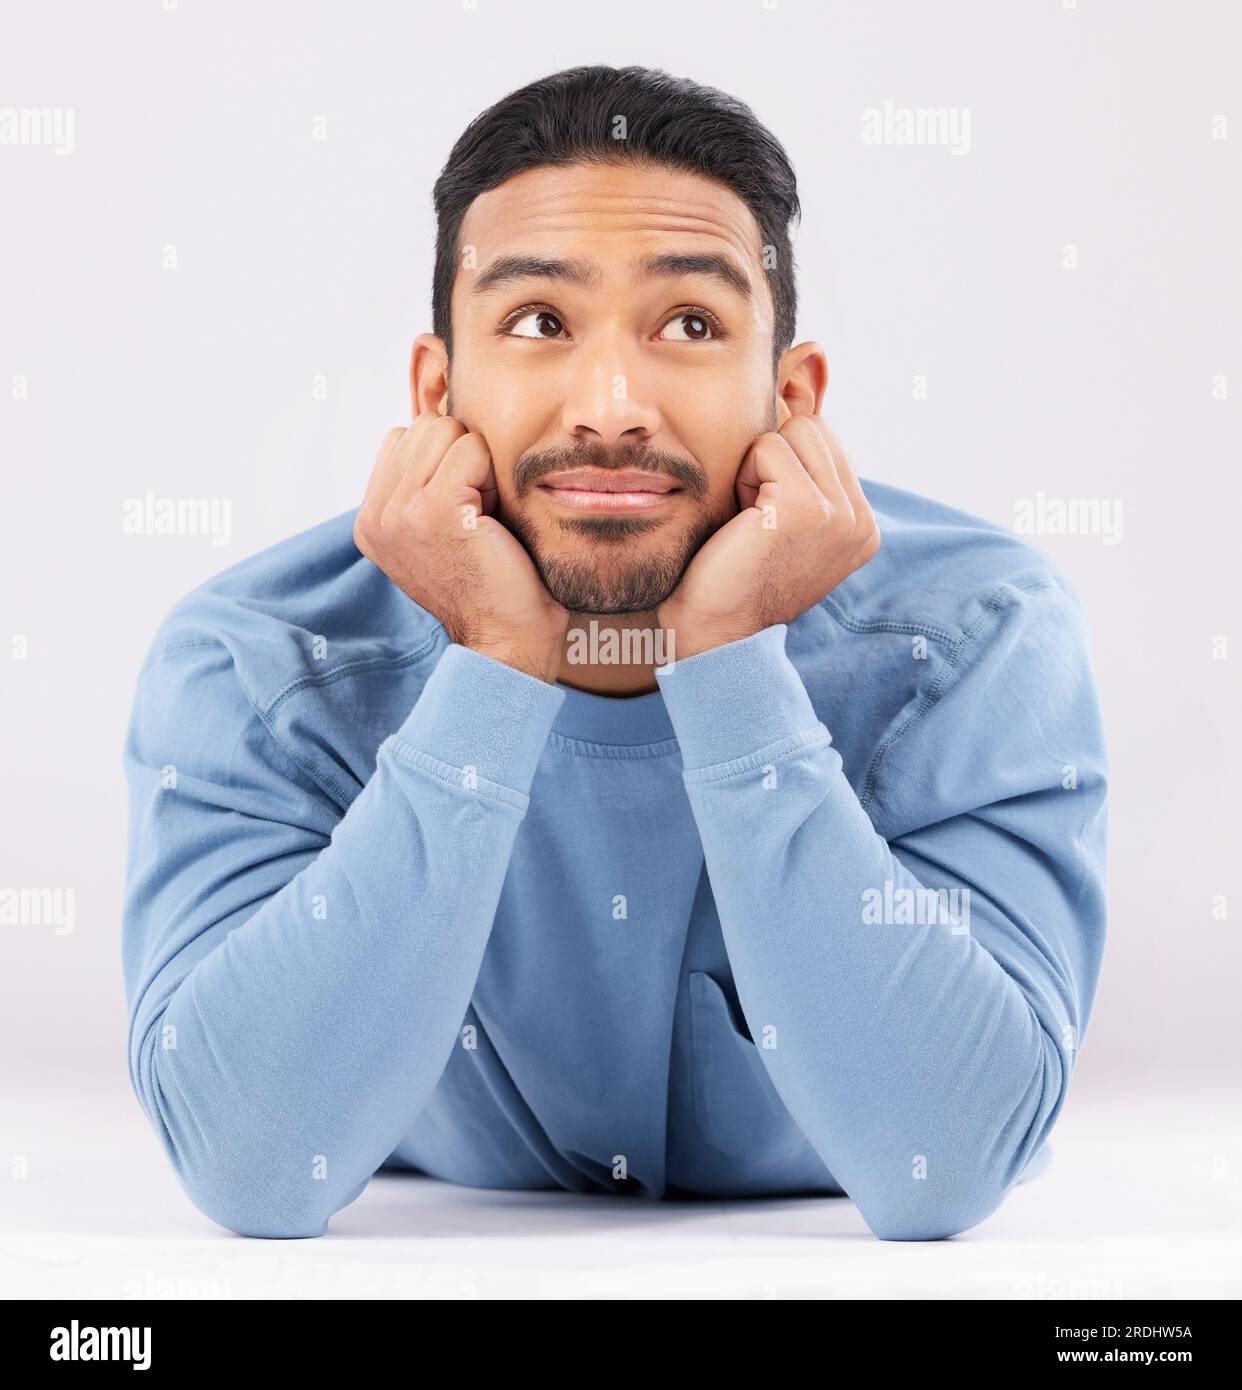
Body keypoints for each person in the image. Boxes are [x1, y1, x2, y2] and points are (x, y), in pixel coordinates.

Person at [121, 65, 1108, 1242]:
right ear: (437, 389)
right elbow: (255, 1166)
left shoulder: (980, 639)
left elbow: (944, 1160)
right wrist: (491, 662)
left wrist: (732, 662)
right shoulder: (257, 662)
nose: (611, 405)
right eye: (538, 322)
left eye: (690, 324)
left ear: (793, 400)